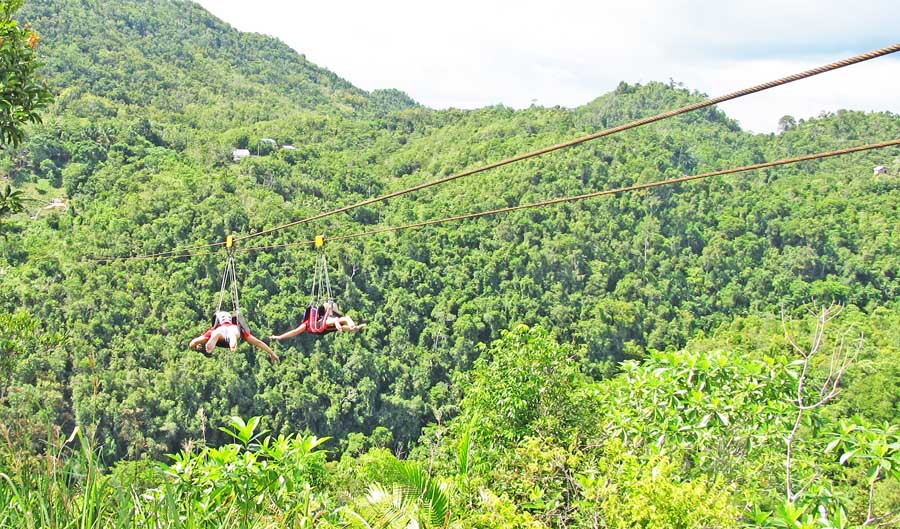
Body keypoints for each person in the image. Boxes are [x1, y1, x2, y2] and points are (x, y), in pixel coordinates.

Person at [189, 311, 279, 362]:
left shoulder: (213, 330)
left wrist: (195, 346)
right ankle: (233, 340)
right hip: (232, 332)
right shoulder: (235, 326)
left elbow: (193, 342)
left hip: (220, 336)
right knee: (234, 333)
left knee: (216, 333)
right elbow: (258, 342)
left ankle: (220, 337)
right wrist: (272, 353)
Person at [270, 301, 366, 341]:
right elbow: (295, 332)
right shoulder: (307, 323)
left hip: (326, 327)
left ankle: (353, 327)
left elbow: (343, 325)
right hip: (320, 327)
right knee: (337, 321)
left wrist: (353, 327)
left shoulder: (325, 317)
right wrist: (279, 337)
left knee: (346, 318)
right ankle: (347, 326)